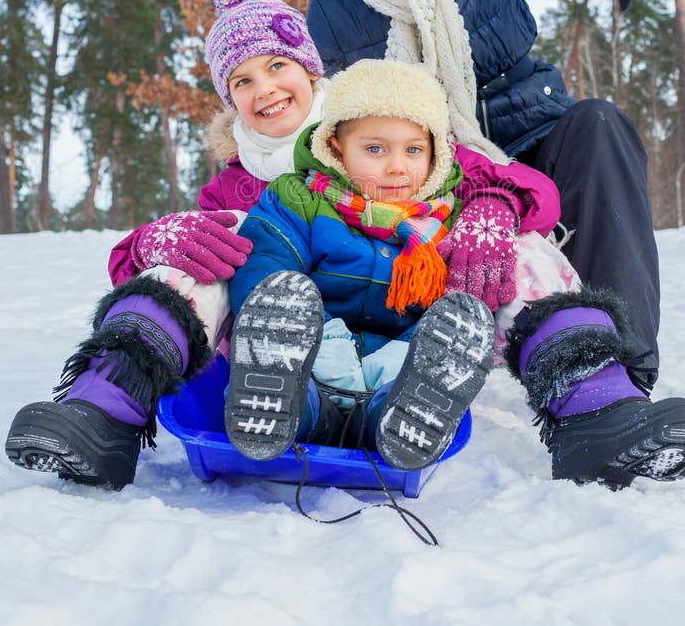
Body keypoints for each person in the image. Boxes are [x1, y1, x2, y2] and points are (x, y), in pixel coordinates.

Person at [306, 0, 685, 486]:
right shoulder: (334, 11)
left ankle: (618, 384)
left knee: (599, 124)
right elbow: (328, 125)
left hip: (536, 136)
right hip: (438, 174)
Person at [4, 0, 333, 490]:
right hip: (261, 354)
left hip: (367, 325)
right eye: (242, 81)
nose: (264, 89)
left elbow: (459, 169)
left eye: (277, 65)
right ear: (230, 99)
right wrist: (152, 242)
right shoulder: (230, 188)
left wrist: (475, 213)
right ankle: (103, 417)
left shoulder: (370, 138)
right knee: (202, 254)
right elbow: (139, 268)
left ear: (310, 69)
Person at [225, 57, 577, 471]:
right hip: (311, 356)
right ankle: (279, 414)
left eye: (413, 150)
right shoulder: (300, 198)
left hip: (399, 368)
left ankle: (401, 425)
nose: (396, 167)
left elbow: (450, 310)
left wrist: (423, 346)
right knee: (299, 387)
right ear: (335, 148)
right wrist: (314, 330)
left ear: (435, 154)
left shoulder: (446, 218)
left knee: (410, 378)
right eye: (375, 149)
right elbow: (267, 260)